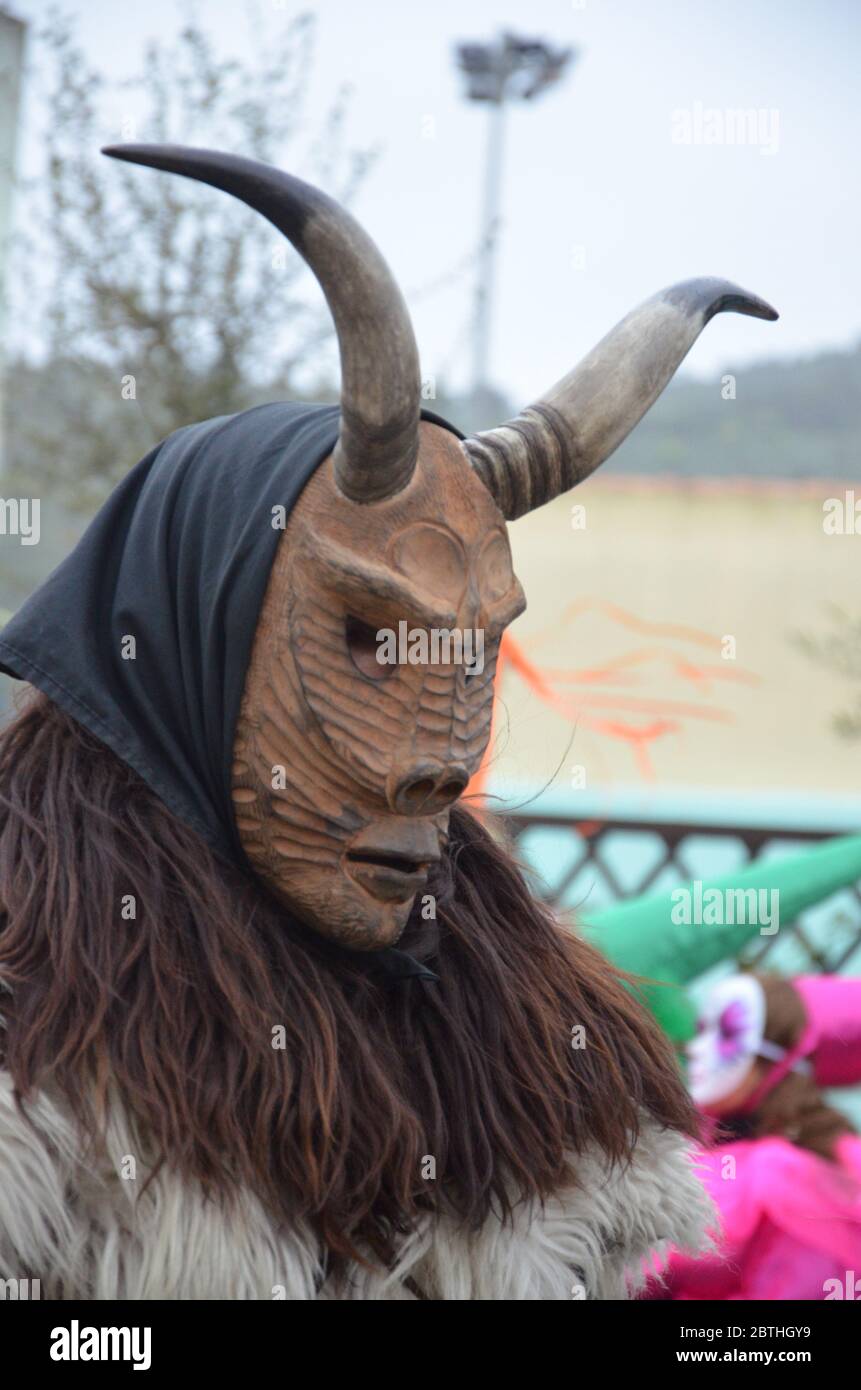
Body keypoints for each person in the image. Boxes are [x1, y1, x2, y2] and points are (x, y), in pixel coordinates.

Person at [0, 145, 776, 1299]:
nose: (442, 761)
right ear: (199, 630)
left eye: (473, 649)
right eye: (366, 638)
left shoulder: (527, 1064)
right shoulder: (39, 1065)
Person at [659, 972, 861, 1300]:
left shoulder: (787, 1174)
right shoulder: (694, 1142)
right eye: (701, 1030)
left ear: (771, 1059)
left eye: (725, 1032)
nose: (696, 1049)